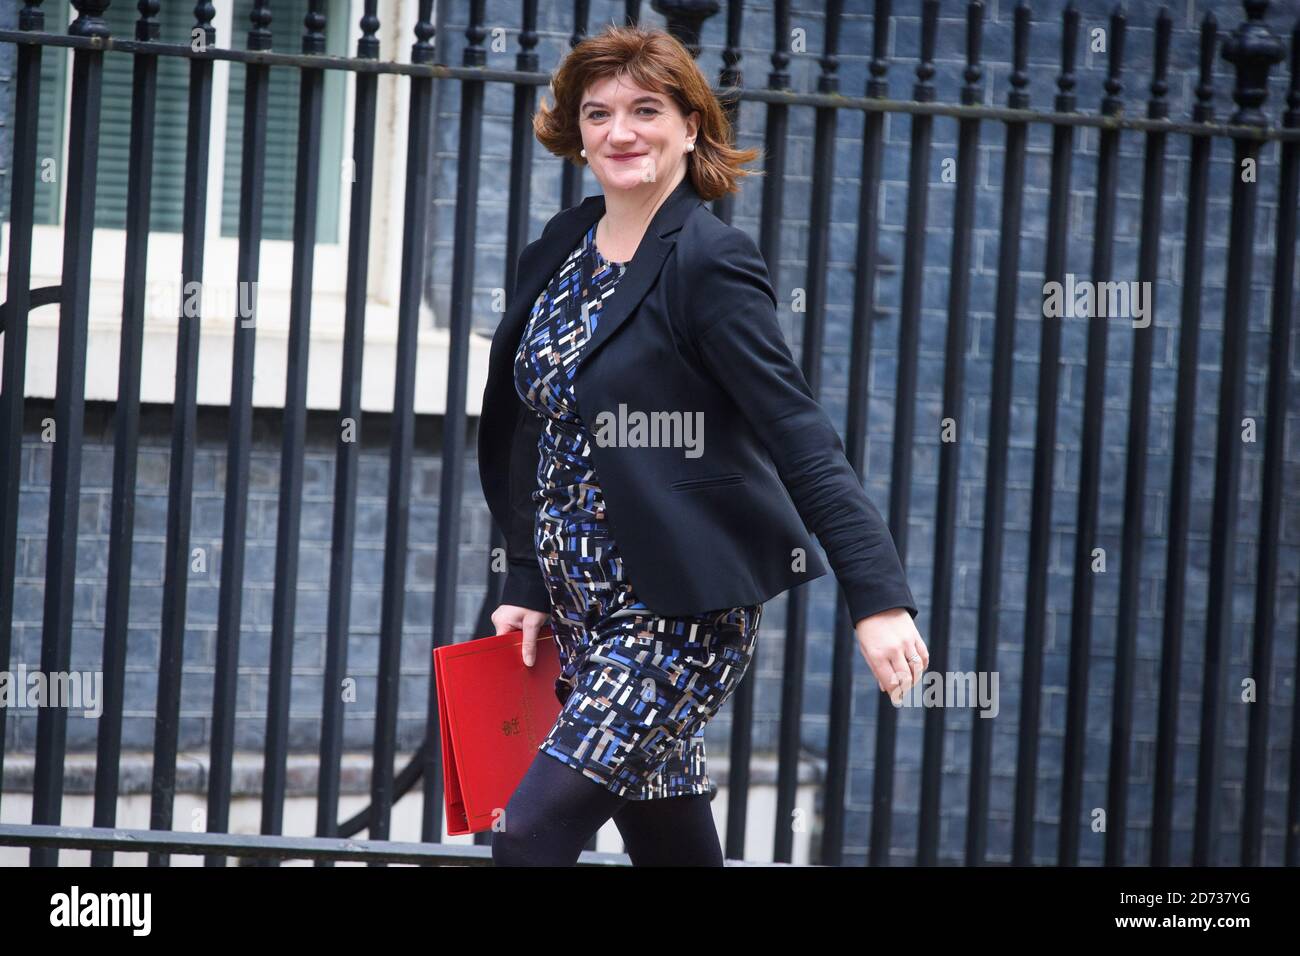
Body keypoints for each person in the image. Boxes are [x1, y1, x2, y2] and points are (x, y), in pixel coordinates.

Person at [477, 24, 928, 867]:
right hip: (579, 614)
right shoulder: (561, 248)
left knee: (526, 833)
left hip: (675, 616)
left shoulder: (709, 262)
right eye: (599, 112)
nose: (620, 132)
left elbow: (799, 434)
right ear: (577, 132)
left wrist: (878, 598)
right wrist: (527, 578)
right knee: (669, 840)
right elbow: (539, 428)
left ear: (691, 126)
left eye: (647, 109)